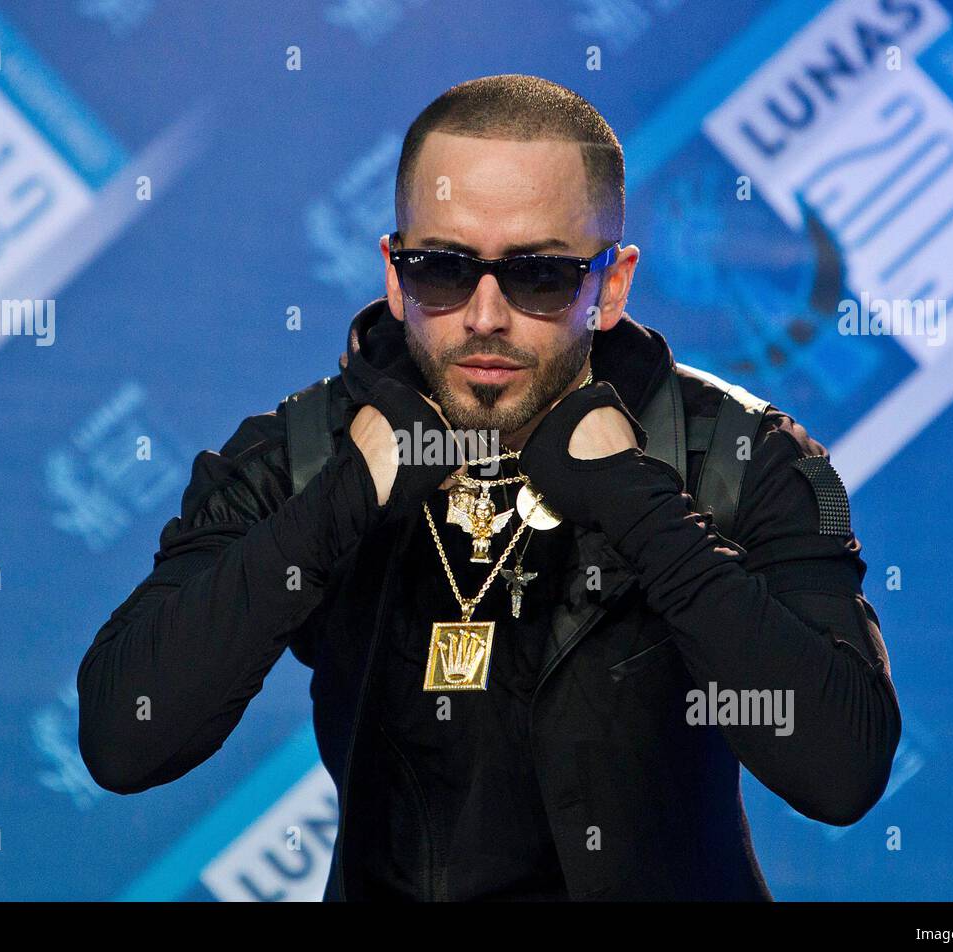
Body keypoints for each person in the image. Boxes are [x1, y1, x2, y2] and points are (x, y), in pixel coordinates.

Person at [76, 74, 901, 901]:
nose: (484, 315)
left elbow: (841, 770)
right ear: (395, 276)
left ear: (609, 285)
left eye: (538, 275)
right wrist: (342, 504)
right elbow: (125, 738)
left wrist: (641, 505)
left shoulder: (739, 455)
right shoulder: (299, 458)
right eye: (442, 268)